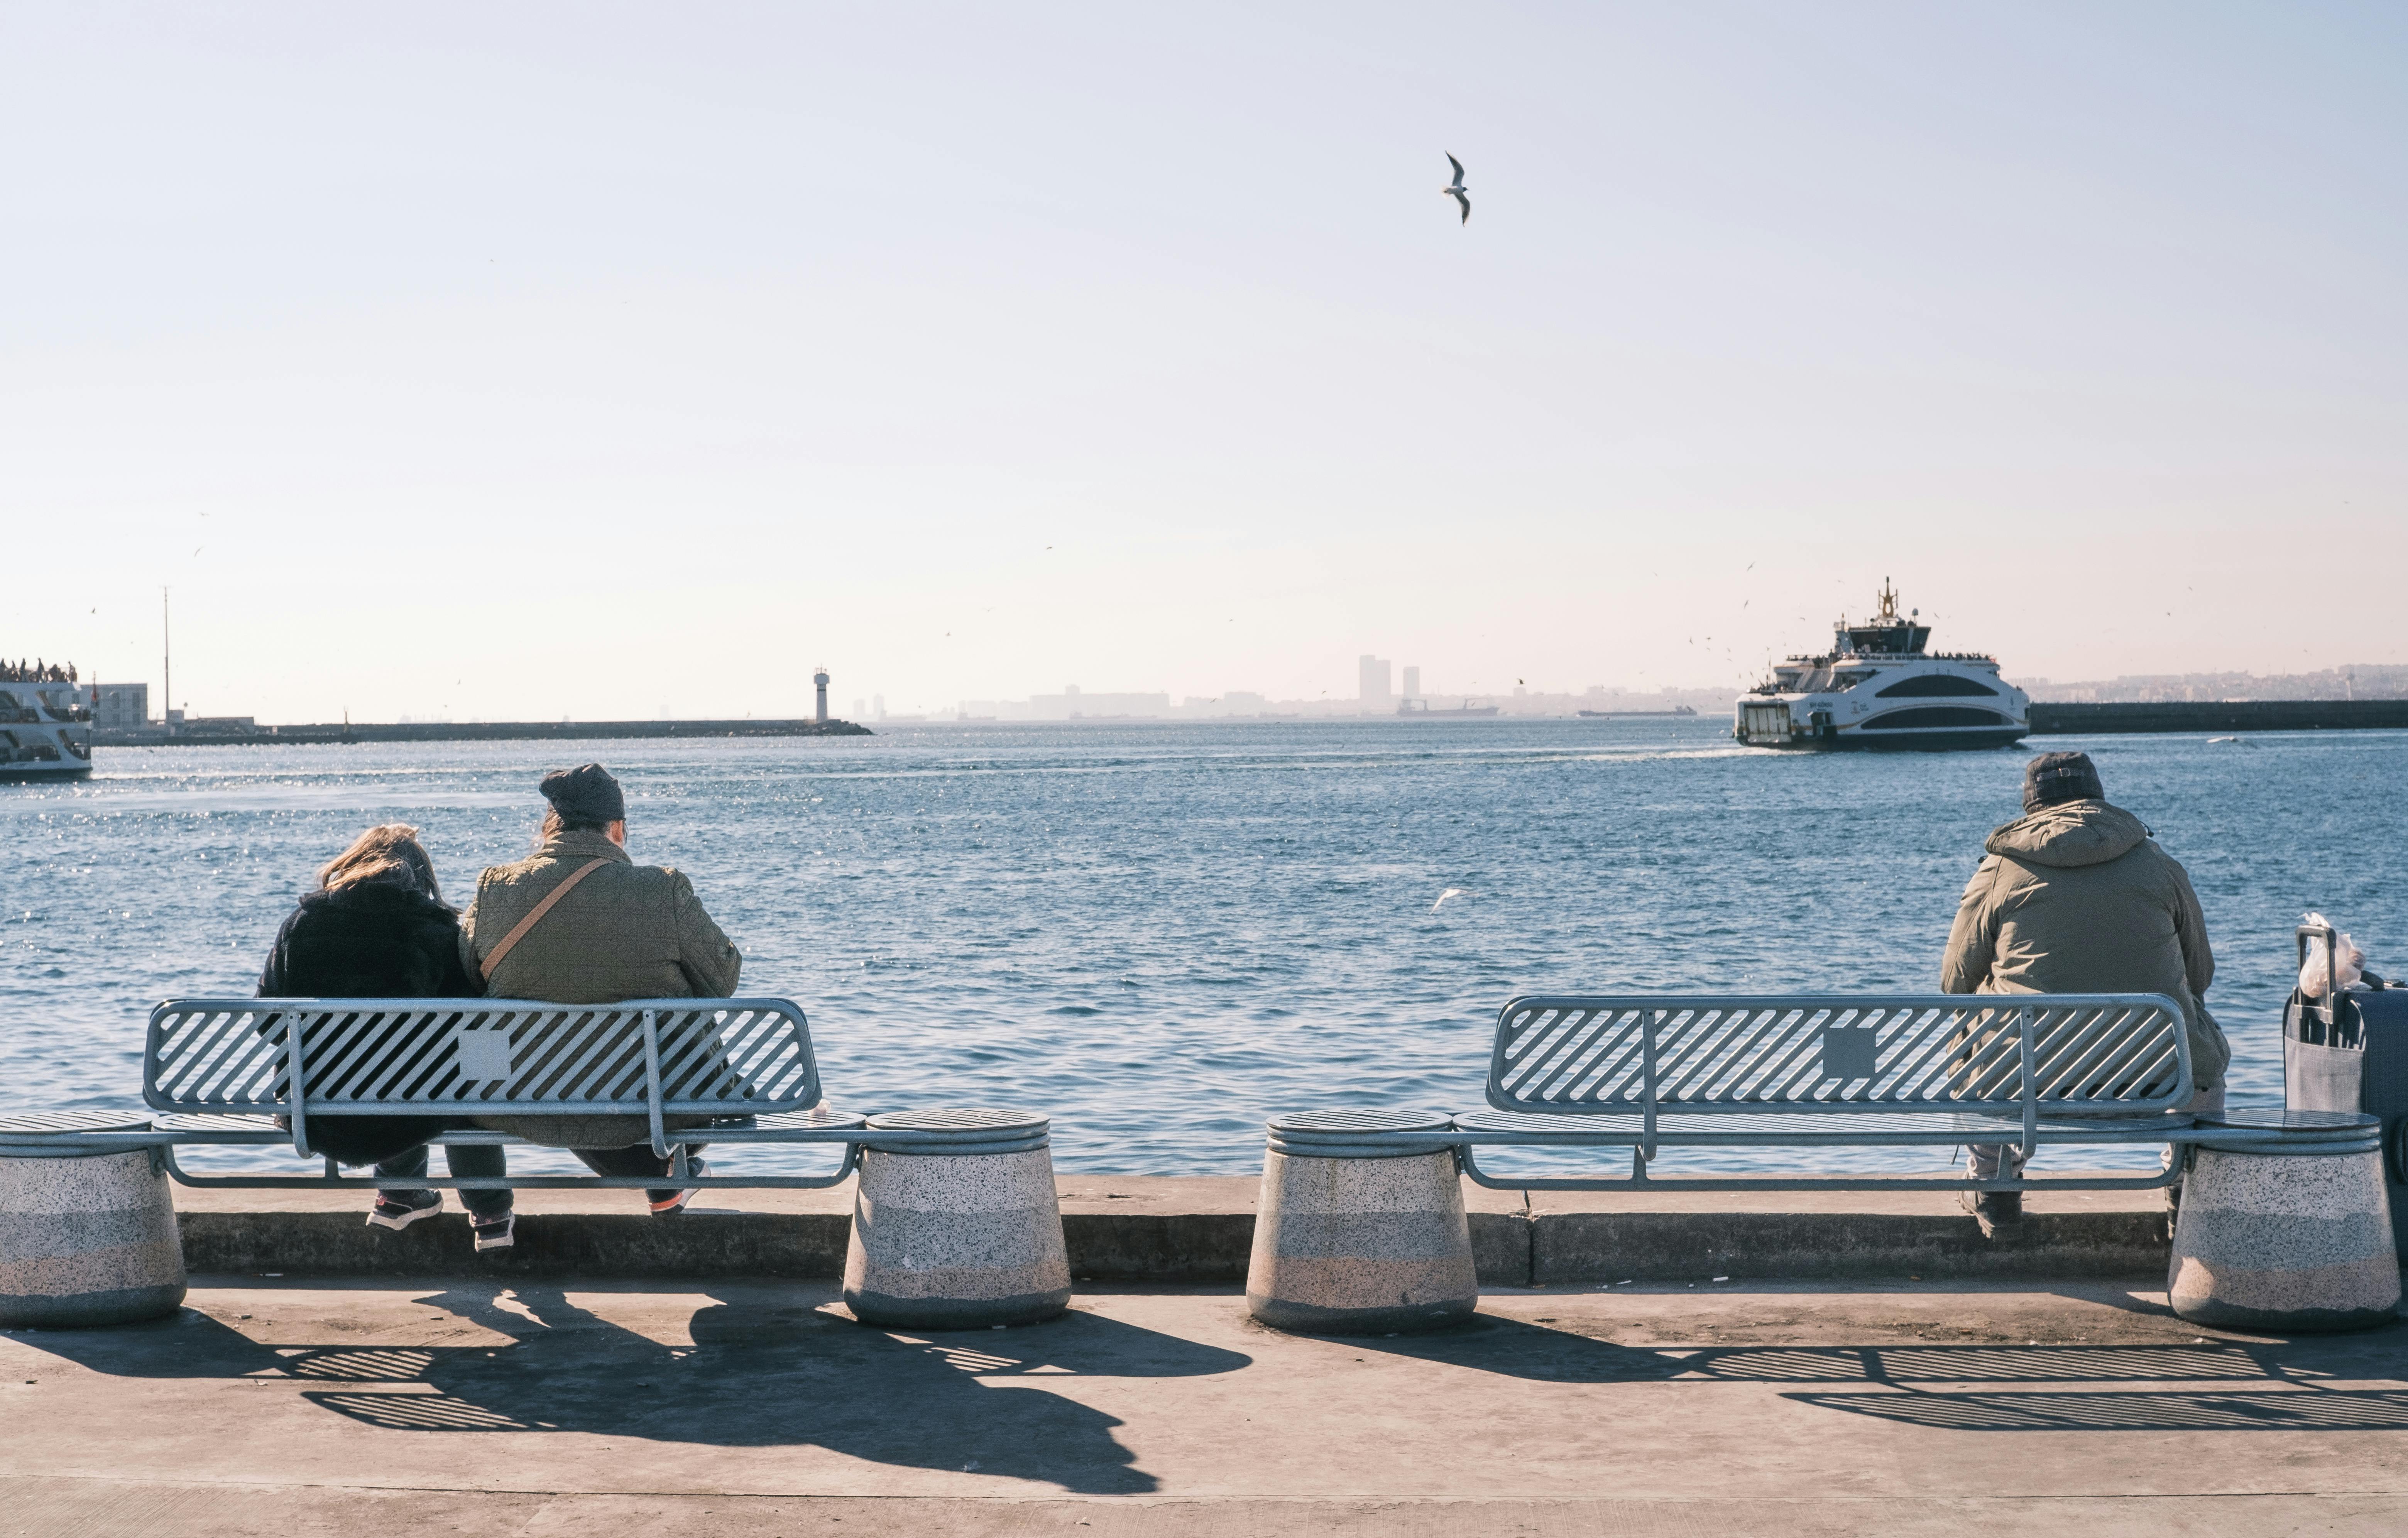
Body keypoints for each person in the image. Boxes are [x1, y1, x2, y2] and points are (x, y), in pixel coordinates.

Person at [1941, 750, 2230, 1228]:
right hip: (2156, 1075)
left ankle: (1994, 1185)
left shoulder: (2000, 869)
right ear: (2099, 797)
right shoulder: (2158, 864)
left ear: (2032, 805)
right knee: (2202, 1053)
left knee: (1978, 1033)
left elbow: (1954, 982)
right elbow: (2201, 976)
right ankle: (2186, 1187)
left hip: (2029, 1076)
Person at [458, 764, 742, 1213]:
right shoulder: (662, 887)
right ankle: (664, 1175)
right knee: (661, 1031)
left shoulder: (496, 887)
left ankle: (661, 1179)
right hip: (651, 1104)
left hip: (521, 1101)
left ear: (551, 825)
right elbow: (722, 980)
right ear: (618, 828)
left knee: (562, 1065)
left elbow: (470, 976)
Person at [256, 823, 517, 1250]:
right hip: (409, 1109)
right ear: (422, 875)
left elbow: (268, 1024)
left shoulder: (303, 924)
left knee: (387, 1071)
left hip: (317, 1110)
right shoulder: (438, 930)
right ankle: (490, 1213)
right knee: (453, 1083)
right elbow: (475, 1033)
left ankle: (399, 1193)